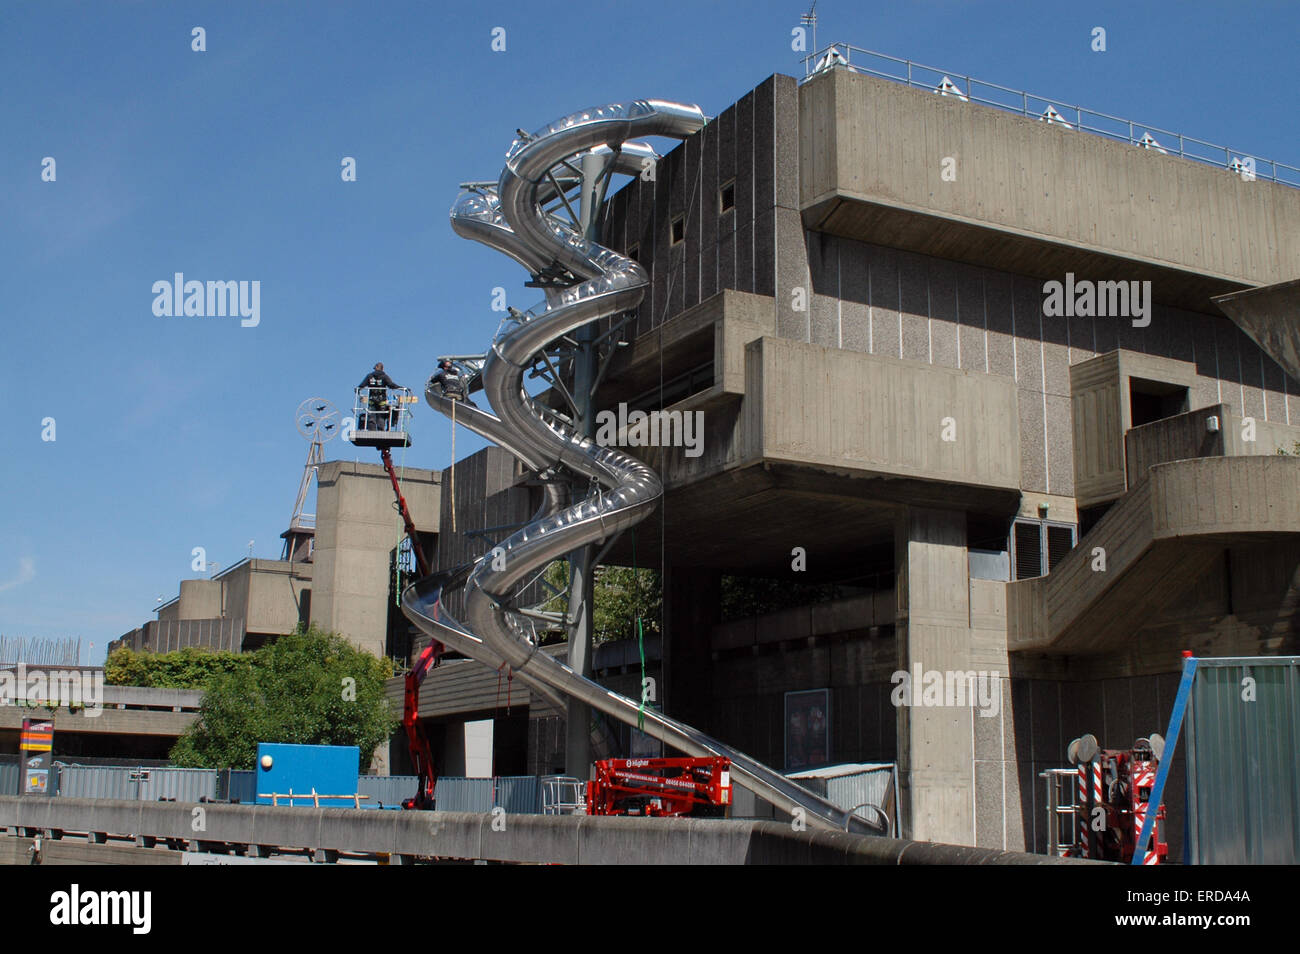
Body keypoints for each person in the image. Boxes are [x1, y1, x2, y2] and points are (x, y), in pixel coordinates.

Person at [358, 362, 402, 430]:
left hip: (372, 400)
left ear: (375, 368)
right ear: (382, 369)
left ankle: (371, 431)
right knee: (381, 417)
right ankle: (380, 430)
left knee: (371, 417)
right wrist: (401, 388)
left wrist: (358, 389)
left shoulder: (369, 376)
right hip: (381, 401)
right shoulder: (384, 377)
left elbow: (362, 385)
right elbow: (391, 385)